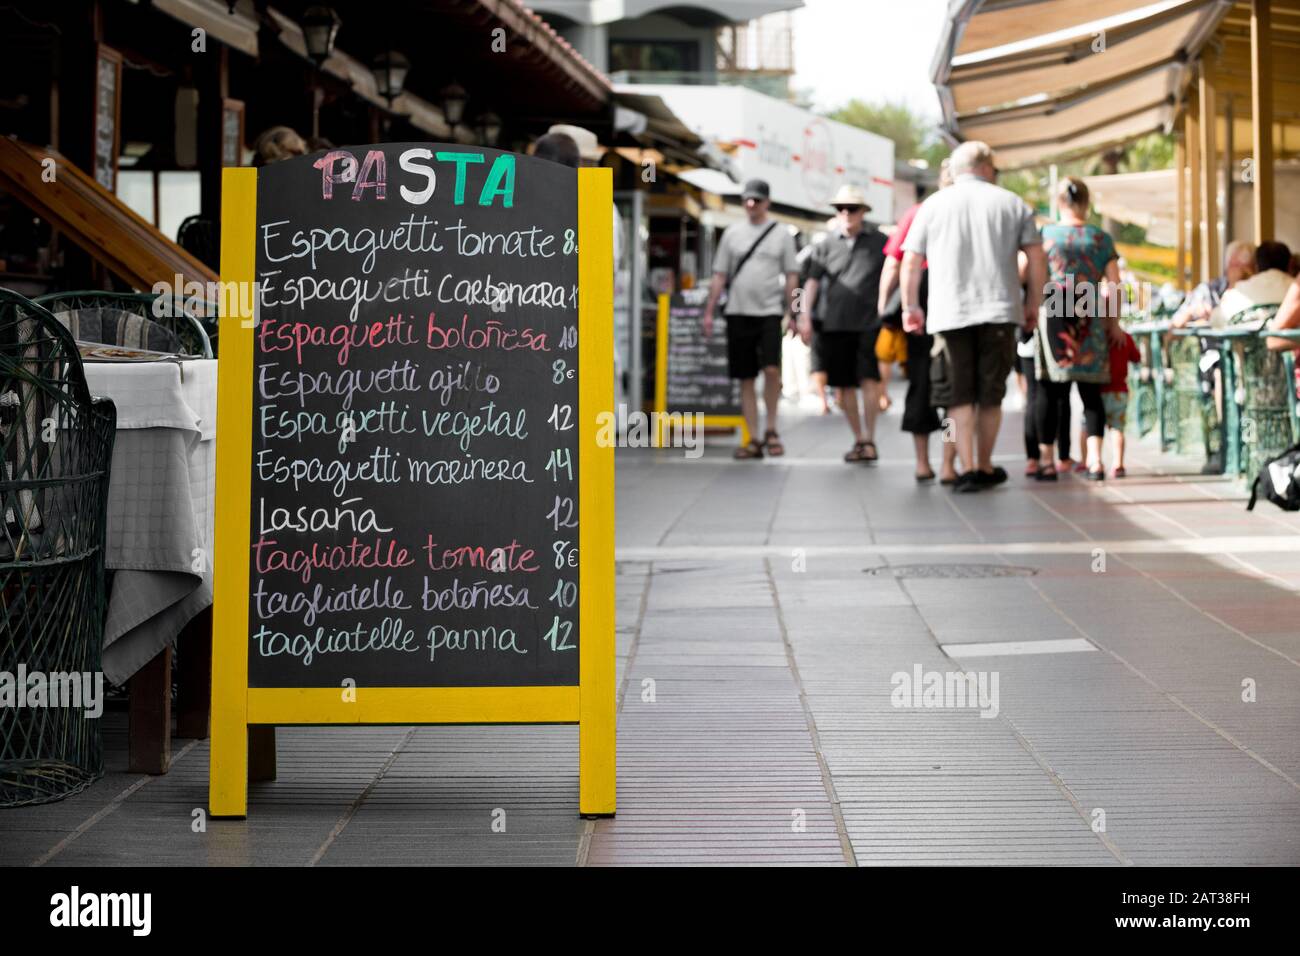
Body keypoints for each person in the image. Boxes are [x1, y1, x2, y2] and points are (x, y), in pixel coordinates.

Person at [899, 141, 1045, 492]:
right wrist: (1034, 304)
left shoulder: (932, 205)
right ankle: (983, 463)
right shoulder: (1012, 203)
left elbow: (910, 261)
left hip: (949, 315)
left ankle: (963, 467)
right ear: (988, 166)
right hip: (999, 310)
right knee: (990, 395)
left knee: (956, 397)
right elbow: (1037, 259)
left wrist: (910, 306)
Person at [1031, 177, 1122, 482]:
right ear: (1086, 202)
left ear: (1059, 202)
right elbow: (1114, 285)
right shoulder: (1100, 238)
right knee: (1091, 391)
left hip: (1054, 309)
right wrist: (1114, 322)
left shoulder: (1045, 235)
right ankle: (1096, 461)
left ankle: (1047, 461)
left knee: (1050, 390)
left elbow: (1028, 271)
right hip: (1090, 313)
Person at [702, 179, 799, 459]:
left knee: (771, 370)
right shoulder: (732, 233)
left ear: (767, 202)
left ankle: (771, 429)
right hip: (737, 312)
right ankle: (753, 437)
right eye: (747, 199)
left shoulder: (782, 234)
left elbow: (793, 276)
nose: (751, 204)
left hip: (769, 312)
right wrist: (709, 311)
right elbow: (720, 274)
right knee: (745, 377)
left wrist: (795, 311)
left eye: (756, 200)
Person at [799, 185, 888, 463]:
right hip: (835, 324)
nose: (846, 214)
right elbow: (811, 283)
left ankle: (870, 438)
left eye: (852, 209)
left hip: (869, 323)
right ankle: (859, 438)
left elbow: (893, 273)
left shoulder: (879, 241)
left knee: (869, 379)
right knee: (843, 386)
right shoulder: (824, 245)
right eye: (841, 209)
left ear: (863, 212)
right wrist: (804, 316)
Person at [878, 173, 958, 482]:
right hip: (954, 304)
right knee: (955, 393)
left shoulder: (919, 211)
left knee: (922, 386)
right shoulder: (965, 209)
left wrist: (885, 303)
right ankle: (948, 463)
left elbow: (894, 262)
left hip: (922, 305)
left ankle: (925, 463)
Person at [1216, 241, 1294, 323]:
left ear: (1256, 266)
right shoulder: (1295, 289)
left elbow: (1217, 321)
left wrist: (1233, 284)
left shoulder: (1238, 291)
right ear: (1290, 265)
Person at [1102, 329, 1142, 477]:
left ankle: (1091, 460)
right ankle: (1118, 463)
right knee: (1117, 428)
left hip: (1098, 388)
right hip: (1119, 391)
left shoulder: (1096, 336)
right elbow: (1136, 357)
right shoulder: (1125, 337)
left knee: (1089, 427)